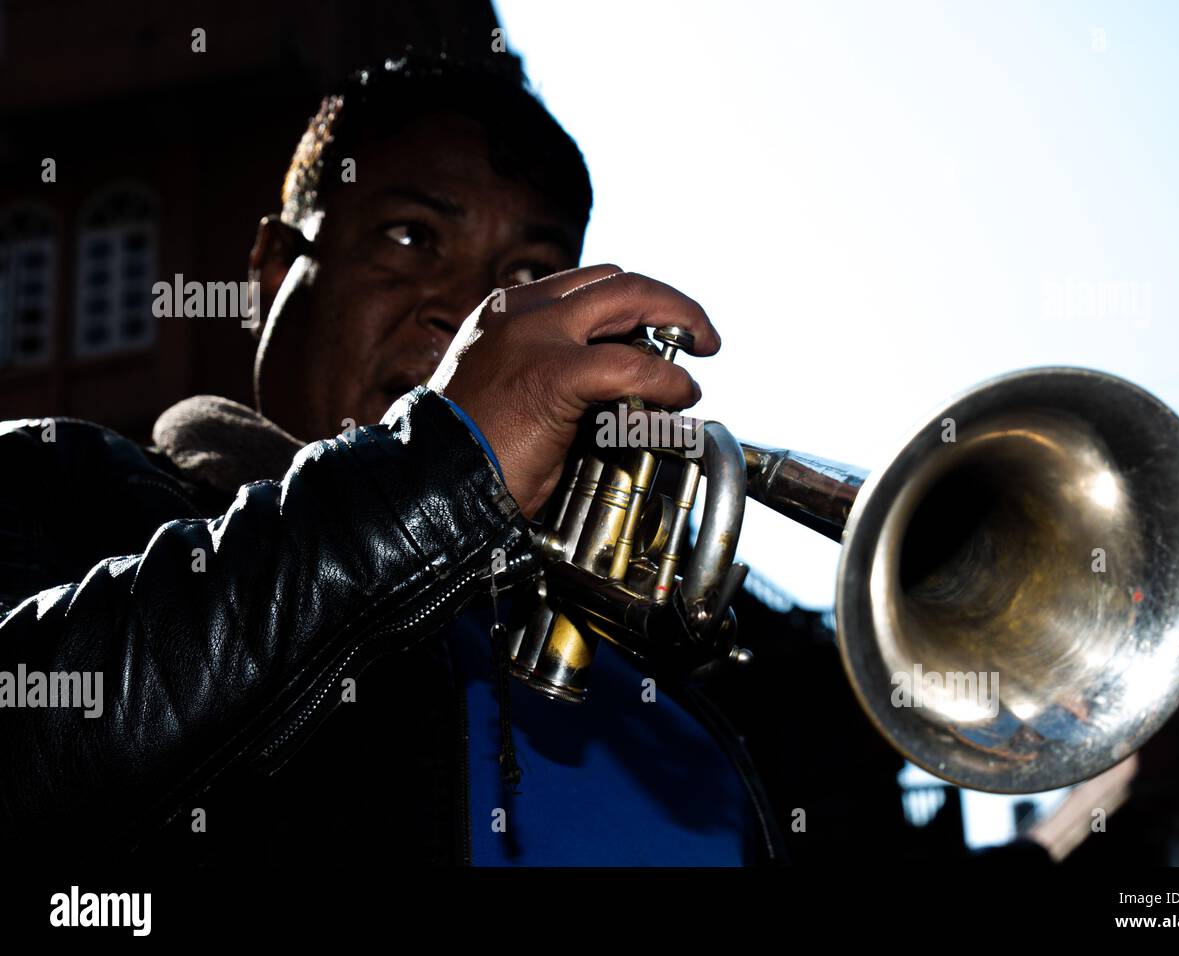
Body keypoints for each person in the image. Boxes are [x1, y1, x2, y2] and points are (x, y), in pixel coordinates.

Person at [0, 53, 783, 866]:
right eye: (411, 237)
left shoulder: (665, 646)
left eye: (525, 276)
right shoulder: (60, 486)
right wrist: (440, 470)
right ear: (275, 270)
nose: (478, 318)